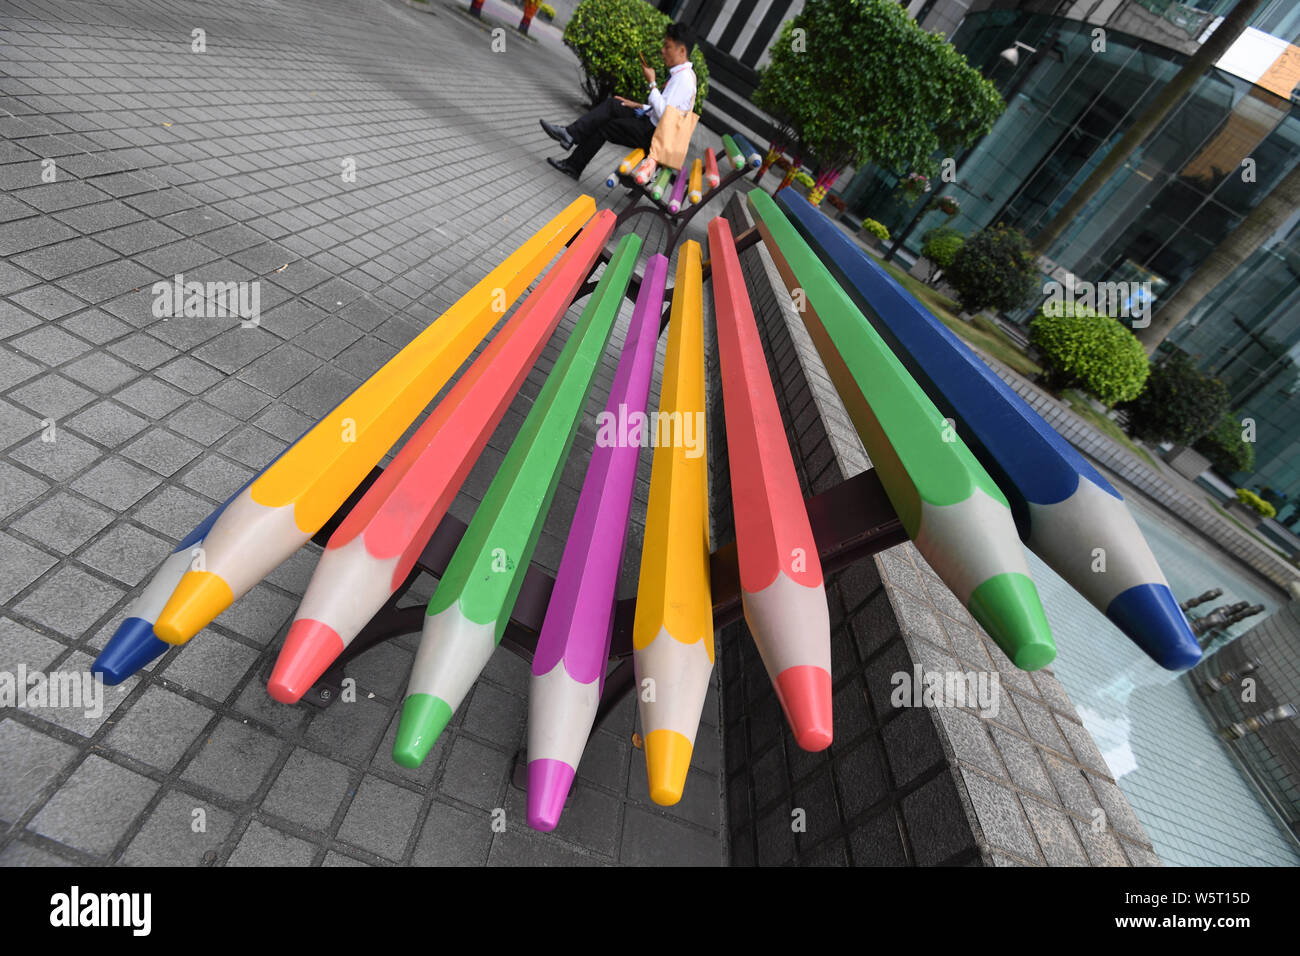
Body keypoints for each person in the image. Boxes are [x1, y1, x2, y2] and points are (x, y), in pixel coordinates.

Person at [540, 23, 697, 180]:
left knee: (605, 126)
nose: (663, 51)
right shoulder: (682, 74)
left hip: (653, 135)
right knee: (613, 104)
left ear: (682, 51)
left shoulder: (683, 79)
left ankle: (573, 165)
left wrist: (652, 83)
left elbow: (665, 114)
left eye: (667, 47)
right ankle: (569, 134)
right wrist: (639, 105)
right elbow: (670, 110)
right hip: (651, 124)